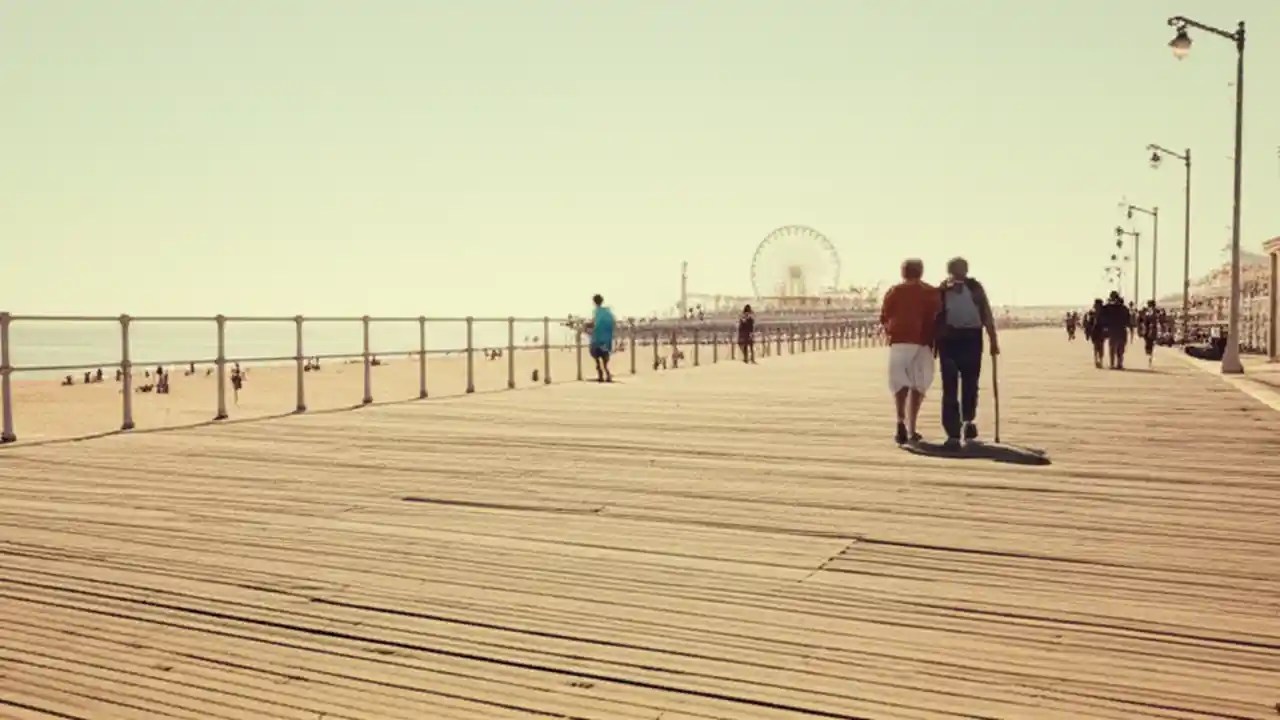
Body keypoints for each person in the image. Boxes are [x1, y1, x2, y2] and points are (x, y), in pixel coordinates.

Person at [935, 257, 999, 449]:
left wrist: (993, 340)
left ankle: (967, 421)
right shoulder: (943, 289)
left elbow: (986, 313)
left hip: (971, 337)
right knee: (950, 384)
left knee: (970, 381)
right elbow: (936, 315)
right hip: (950, 339)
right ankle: (953, 428)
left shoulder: (974, 287)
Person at [880, 258, 941, 445]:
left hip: (899, 340)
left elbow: (884, 317)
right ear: (921, 272)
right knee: (919, 384)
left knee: (899, 383)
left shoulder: (894, 291)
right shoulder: (931, 292)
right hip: (923, 342)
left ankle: (900, 421)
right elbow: (938, 316)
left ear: (903, 272)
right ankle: (912, 427)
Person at [583, 293, 615, 383]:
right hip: (606, 340)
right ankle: (607, 374)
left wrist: (586, 326)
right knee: (605, 359)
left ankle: (600, 374)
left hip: (597, 339)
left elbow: (594, 323)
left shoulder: (597, 312)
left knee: (596, 356)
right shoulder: (607, 312)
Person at [1100, 292, 1131, 369]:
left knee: (1112, 348)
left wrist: (1105, 327)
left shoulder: (1107, 307)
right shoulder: (1124, 308)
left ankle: (1112, 364)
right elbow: (1128, 320)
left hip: (1112, 330)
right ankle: (1119, 364)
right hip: (1121, 330)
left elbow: (1102, 317)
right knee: (1120, 348)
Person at [1138, 300, 1159, 367]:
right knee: (1150, 344)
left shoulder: (1149, 312)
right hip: (1151, 330)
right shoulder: (1154, 312)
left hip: (1149, 330)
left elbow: (1143, 321)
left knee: (1149, 344)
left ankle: (1149, 358)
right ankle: (1149, 358)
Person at [1085, 299, 1105, 368]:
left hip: (1101, 332)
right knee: (1096, 347)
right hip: (1095, 332)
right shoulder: (1092, 314)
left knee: (1100, 347)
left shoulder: (1103, 313)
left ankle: (1100, 360)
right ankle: (1097, 360)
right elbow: (1088, 324)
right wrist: (1087, 333)